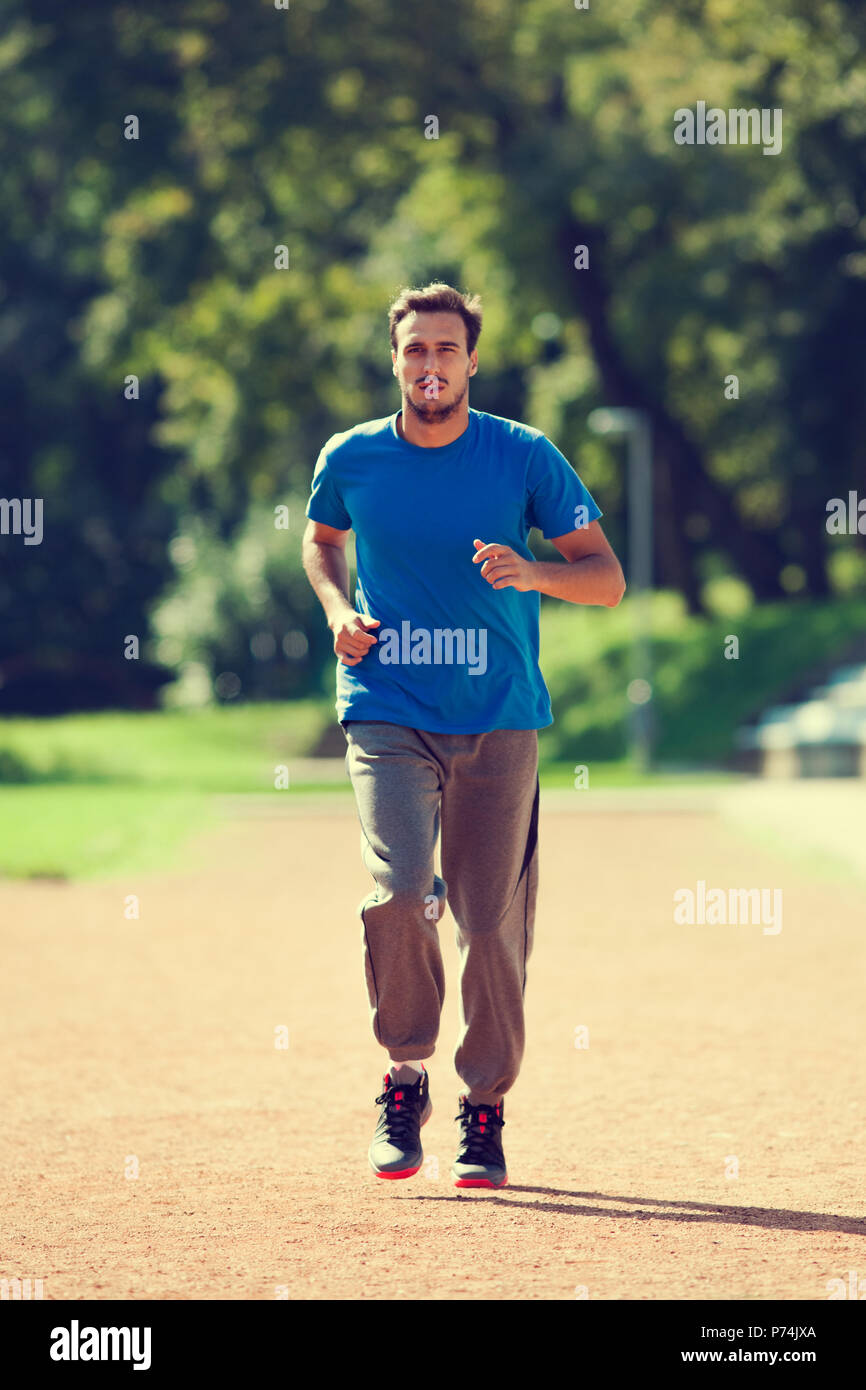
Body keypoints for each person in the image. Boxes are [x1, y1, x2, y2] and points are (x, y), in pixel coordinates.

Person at [302, 282, 625, 1188]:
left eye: (447, 350)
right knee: (402, 891)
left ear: (471, 360)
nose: (431, 366)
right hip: (387, 702)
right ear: (395, 358)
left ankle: (484, 1107)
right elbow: (322, 542)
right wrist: (336, 609)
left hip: (499, 718)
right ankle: (404, 1077)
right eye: (415, 351)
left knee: (491, 923)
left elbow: (605, 579)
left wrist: (531, 571)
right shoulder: (353, 457)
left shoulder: (523, 457)